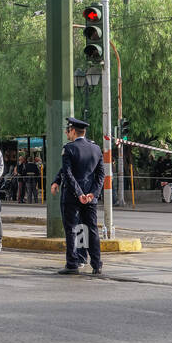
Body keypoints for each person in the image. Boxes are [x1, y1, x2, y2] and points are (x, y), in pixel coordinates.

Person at [51, 117, 105, 275]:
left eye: (68, 131)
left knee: (72, 229)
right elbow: (101, 175)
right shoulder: (96, 149)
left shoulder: (69, 149)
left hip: (72, 197)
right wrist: (92, 193)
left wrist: (79, 193)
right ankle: (97, 264)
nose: (67, 133)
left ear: (73, 131)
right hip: (90, 197)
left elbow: (68, 173)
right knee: (92, 229)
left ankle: (72, 264)